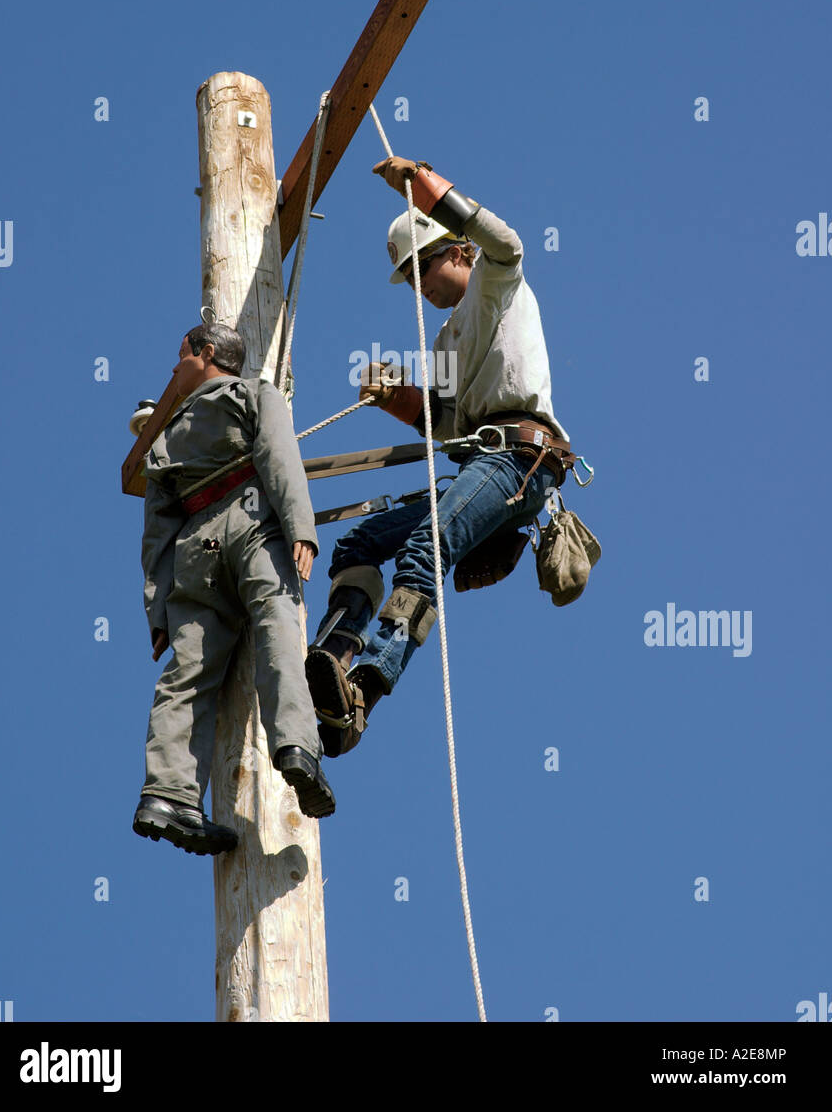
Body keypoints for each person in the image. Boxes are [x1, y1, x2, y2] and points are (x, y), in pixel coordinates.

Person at [305, 156, 575, 756]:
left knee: (428, 547)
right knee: (360, 544)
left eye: (420, 268)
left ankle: (366, 689)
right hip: (479, 465)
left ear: (458, 252)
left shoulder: (497, 281)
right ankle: (334, 655)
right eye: (409, 277)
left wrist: (421, 185)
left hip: (519, 461)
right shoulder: (446, 338)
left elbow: (507, 242)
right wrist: (396, 395)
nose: (418, 287)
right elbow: (448, 425)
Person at [132, 321, 334, 857]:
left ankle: (168, 794)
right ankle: (295, 745)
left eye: (180, 356)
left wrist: (158, 610)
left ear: (207, 353)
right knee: (277, 627)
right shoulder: (255, 395)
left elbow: (157, 530)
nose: (174, 369)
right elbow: (279, 458)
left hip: (194, 551)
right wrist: (301, 529)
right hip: (251, 521)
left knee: (186, 674)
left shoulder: (165, 432)